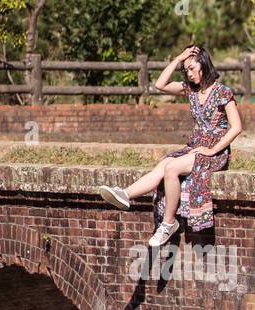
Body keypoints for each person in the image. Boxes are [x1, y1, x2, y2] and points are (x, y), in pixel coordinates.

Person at [98, 45, 243, 247]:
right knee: (164, 163)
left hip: (214, 152)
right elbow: (160, 84)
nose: (189, 74)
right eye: (186, 70)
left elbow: (236, 127)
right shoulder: (190, 90)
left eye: (192, 68)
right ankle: (125, 194)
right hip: (195, 146)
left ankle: (168, 224)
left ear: (204, 63)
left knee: (172, 168)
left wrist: (212, 150)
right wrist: (178, 59)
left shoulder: (222, 92)